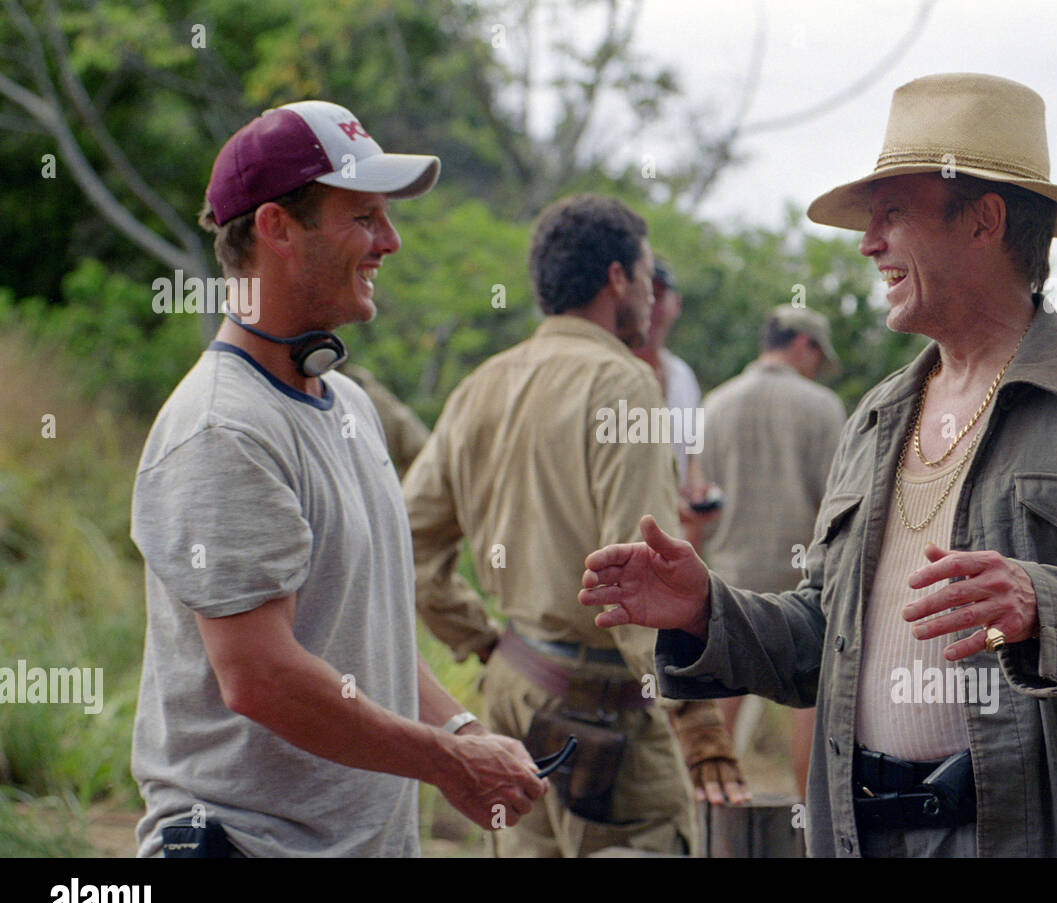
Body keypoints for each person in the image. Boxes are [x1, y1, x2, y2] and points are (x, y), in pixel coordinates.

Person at [580, 74, 1057, 857]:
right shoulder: (875, 415)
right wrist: (706, 610)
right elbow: (820, 644)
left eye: (891, 215)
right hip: (861, 836)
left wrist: (1046, 606)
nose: (867, 243)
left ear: (984, 220)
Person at [130, 100, 545, 858]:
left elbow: (361, 632)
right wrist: (449, 764)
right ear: (276, 229)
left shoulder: (344, 402)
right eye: (363, 218)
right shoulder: (224, 429)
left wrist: (461, 729)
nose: (389, 241)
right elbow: (261, 678)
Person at [404, 193, 747, 858]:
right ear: (617, 278)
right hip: (603, 717)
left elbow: (407, 545)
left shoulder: (481, 384)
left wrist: (478, 639)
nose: (652, 297)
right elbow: (640, 580)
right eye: (647, 276)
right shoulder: (625, 385)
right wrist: (701, 724)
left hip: (511, 694)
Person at [697, 305, 847, 797]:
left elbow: (699, 500)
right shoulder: (823, 406)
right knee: (811, 701)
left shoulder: (715, 404)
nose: (818, 368)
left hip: (727, 579)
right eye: (819, 357)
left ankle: (709, 824)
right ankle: (810, 829)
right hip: (800, 584)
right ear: (805, 344)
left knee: (717, 707)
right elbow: (837, 505)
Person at [633, 258, 716, 549]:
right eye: (645, 294)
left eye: (660, 295)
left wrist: (697, 495)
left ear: (676, 304)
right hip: (623, 540)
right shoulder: (612, 374)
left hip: (673, 542)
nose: (652, 305)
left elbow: (690, 454)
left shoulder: (682, 375)